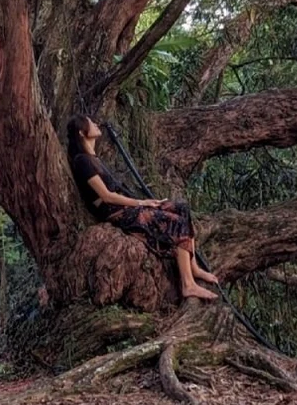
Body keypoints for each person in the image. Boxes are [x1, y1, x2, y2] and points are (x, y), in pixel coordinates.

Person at [66, 113, 220, 302]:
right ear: (82, 133)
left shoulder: (95, 159)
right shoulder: (82, 161)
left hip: (126, 207)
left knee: (181, 209)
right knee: (177, 223)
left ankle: (194, 267)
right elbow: (106, 196)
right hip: (116, 212)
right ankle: (187, 285)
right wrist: (142, 203)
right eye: (91, 123)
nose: (96, 124)